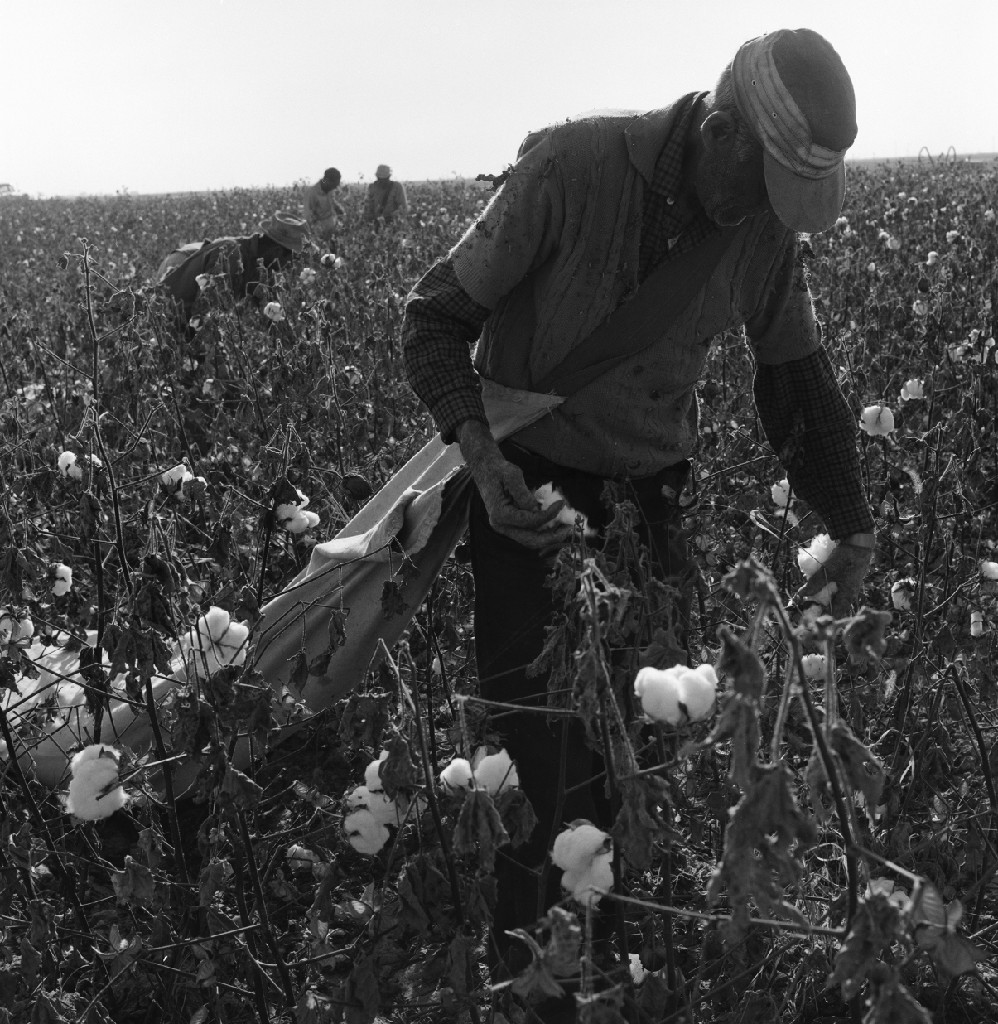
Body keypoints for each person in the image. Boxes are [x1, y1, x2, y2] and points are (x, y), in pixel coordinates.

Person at [403, 27, 876, 1021]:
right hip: (528, 496)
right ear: (714, 131)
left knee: (637, 756)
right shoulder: (567, 169)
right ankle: (532, 980)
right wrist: (483, 466)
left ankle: (609, 965)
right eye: (756, 185)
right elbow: (433, 318)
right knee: (553, 767)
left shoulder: (757, 231)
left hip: (651, 508)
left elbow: (791, 383)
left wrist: (853, 523)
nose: (758, 216)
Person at [156, 211, 308, 319]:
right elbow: (205, 306)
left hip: (198, 260)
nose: (292, 264)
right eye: (292, 257)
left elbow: (267, 308)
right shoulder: (232, 254)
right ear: (277, 250)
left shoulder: (263, 265)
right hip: (179, 263)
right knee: (179, 320)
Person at [303, 167, 345, 243]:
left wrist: (338, 208)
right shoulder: (311, 193)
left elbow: (332, 202)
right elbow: (307, 218)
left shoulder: (329, 189)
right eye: (334, 185)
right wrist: (316, 238)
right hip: (320, 236)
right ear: (327, 181)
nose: (335, 188)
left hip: (332, 230)